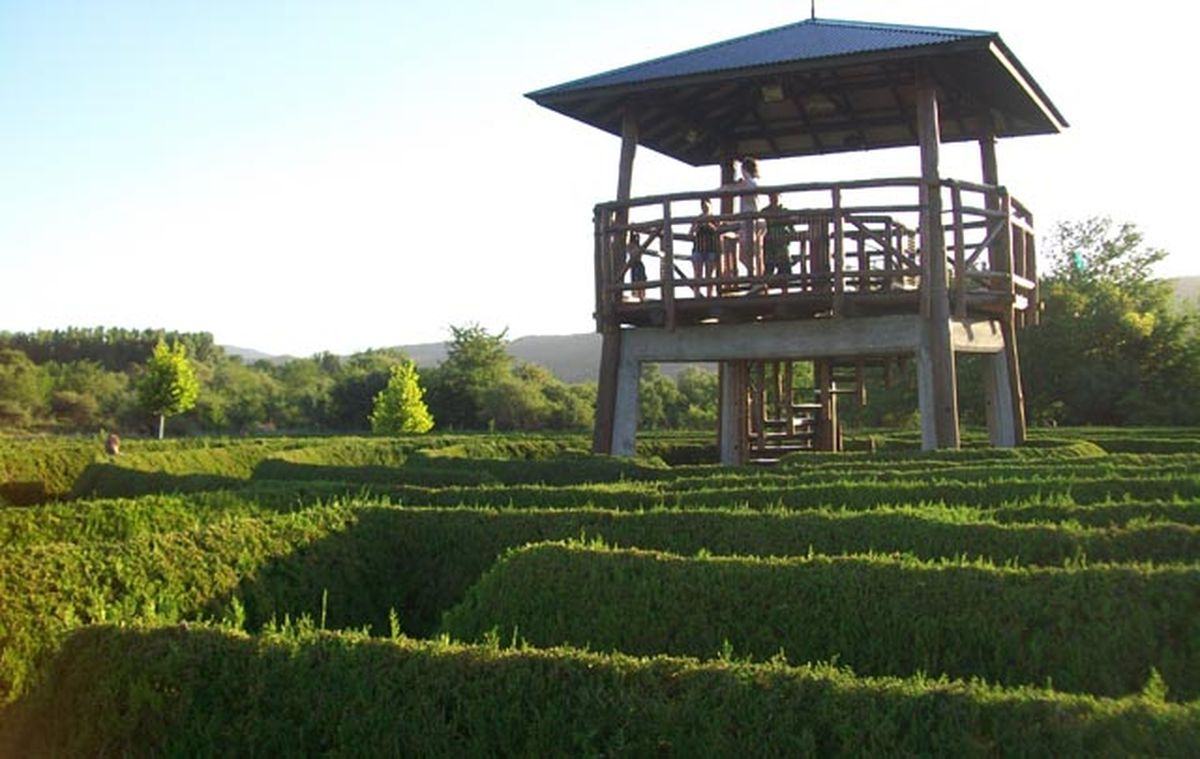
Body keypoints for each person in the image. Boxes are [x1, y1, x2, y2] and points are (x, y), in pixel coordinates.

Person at [736, 157, 764, 278]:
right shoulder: (753, 182)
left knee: (748, 252)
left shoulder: (748, 183)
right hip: (754, 220)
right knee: (754, 251)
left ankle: (754, 276)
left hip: (750, 221)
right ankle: (756, 276)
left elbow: (729, 189)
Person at [690, 197, 720, 297]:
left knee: (709, 275)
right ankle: (697, 293)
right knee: (698, 274)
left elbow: (719, 231)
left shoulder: (714, 219)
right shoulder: (697, 218)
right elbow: (691, 233)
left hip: (711, 249)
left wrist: (709, 224)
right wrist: (697, 226)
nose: (704, 207)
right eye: (702, 205)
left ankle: (709, 295)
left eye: (706, 205)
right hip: (698, 248)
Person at [763, 192, 794, 283]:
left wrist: (789, 238)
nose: (773, 199)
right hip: (769, 243)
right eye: (771, 197)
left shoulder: (784, 211)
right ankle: (766, 292)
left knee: (785, 270)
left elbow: (791, 227)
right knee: (769, 268)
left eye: (775, 197)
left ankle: (785, 293)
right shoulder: (765, 212)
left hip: (781, 243)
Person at [627, 231, 647, 301]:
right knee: (637, 280)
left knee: (641, 279)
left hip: (638, 264)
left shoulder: (636, 246)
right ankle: (639, 296)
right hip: (635, 264)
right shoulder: (631, 245)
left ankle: (641, 296)